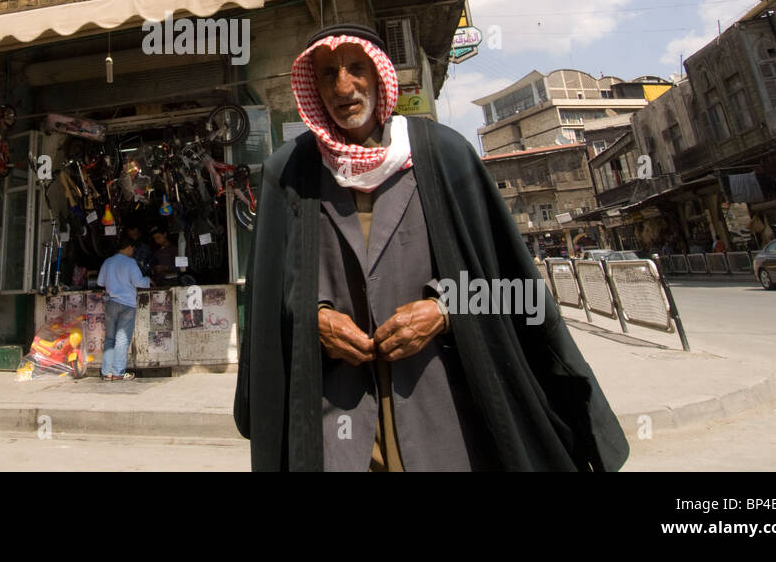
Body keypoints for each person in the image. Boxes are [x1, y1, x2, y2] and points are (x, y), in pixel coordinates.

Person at [233, 24, 629, 471]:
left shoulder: (445, 156)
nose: (343, 87)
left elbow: (512, 288)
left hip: (445, 420)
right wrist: (313, 321)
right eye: (327, 75)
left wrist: (444, 312)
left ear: (381, 76)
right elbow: (268, 309)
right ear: (313, 87)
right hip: (337, 431)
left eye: (356, 69)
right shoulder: (289, 174)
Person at [96, 236, 150, 381]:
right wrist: (149, 280)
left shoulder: (108, 262)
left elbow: (100, 281)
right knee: (122, 339)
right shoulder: (131, 263)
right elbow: (139, 282)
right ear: (128, 247)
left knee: (109, 338)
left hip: (110, 303)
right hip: (127, 304)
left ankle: (106, 372)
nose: (133, 251)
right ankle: (118, 372)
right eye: (132, 248)